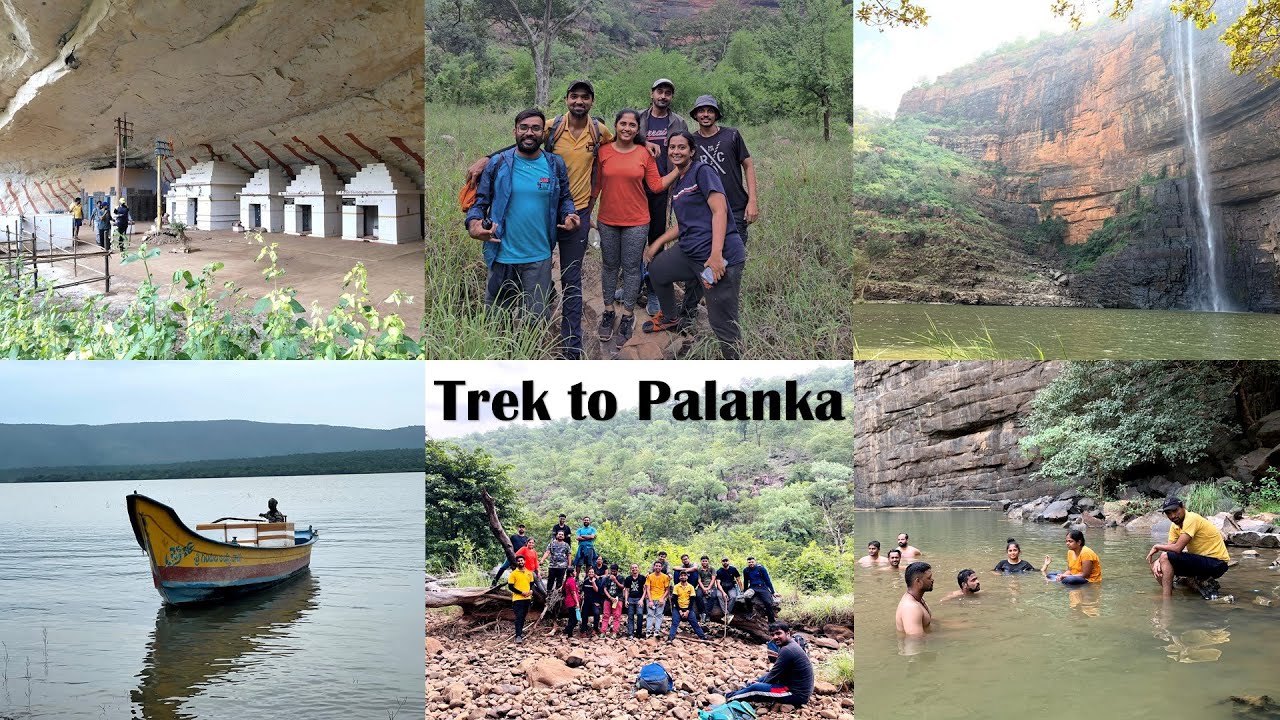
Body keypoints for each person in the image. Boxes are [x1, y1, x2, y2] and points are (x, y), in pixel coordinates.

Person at [466, 108, 579, 323]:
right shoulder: (498, 163)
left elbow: (565, 198)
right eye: (524, 128)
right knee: (497, 322)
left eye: (536, 128)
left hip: (539, 257)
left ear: (543, 134)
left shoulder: (555, 164)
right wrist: (473, 224)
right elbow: (480, 202)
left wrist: (569, 215)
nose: (529, 133)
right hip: (502, 256)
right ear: (515, 132)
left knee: (535, 321)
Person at [641, 131, 747, 359]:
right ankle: (670, 316)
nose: (676, 151)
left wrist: (717, 254)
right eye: (672, 147)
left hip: (717, 256)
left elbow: (720, 211)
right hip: (689, 251)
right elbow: (684, 223)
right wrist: (657, 242)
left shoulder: (702, 171)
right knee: (657, 270)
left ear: (692, 151)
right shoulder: (680, 181)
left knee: (722, 322)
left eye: (681, 147)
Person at [594, 108, 678, 344]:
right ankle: (609, 311)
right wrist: (586, 213)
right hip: (607, 220)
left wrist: (678, 170)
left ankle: (628, 314)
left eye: (632, 125)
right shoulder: (604, 152)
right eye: (623, 124)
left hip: (637, 221)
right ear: (616, 125)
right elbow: (596, 187)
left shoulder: (644, 153)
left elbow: (656, 185)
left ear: (637, 128)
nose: (627, 128)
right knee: (609, 266)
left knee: (631, 268)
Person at [637, 78, 690, 315]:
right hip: (635, 187)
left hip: (663, 189)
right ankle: (633, 284)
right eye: (660, 91)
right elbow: (623, 139)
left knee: (657, 239)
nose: (663, 96)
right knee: (633, 238)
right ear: (652, 94)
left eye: (668, 93)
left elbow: (687, 153)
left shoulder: (678, 122)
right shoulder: (638, 118)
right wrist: (644, 141)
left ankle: (654, 290)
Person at [689, 95, 758, 246]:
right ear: (695, 115)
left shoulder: (732, 135)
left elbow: (748, 165)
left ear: (716, 114)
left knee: (734, 260)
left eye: (710, 111)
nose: (705, 114)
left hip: (735, 209)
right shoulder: (691, 142)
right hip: (705, 211)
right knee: (708, 260)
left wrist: (752, 201)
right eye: (701, 111)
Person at [1146, 496, 1230, 598]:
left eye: (1175, 510)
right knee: (1155, 565)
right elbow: (1169, 548)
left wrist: (1157, 546)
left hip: (1217, 563)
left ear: (1183, 507)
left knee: (1164, 558)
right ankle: (1170, 591)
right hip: (1200, 561)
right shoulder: (1175, 526)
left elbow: (1177, 548)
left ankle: (1166, 599)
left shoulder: (1191, 519)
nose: (1173, 516)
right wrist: (1158, 561)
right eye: (1169, 513)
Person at [723, 622, 813, 708]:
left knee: (755, 688)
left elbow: (774, 674)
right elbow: (774, 673)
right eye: (773, 635)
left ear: (788, 633)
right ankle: (741, 691)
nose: (775, 637)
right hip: (791, 684)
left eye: (778, 633)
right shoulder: (789, 645)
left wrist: (759, 685)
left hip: (796, 694)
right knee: (763, 677)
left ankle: (728, 697)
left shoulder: (787, 650)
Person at [896, 562, 933, 637]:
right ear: (918, 581)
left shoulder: (918, 599)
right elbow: (915, 639)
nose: (932, 580)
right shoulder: (911, 607)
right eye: (929, 578)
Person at [669, 571, 706, 642]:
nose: (683, 577)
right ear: (679, 577)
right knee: (674, 623)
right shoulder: (676, 586)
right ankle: (670, 638)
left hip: (688, 608)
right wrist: (680, 611)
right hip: (677, 608)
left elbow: (692, 600)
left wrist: (687, 611)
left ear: (687, 577)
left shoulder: (691, 587)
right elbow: (675, 599)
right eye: (681, 576)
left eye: (684, 575)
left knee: (694, 623)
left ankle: (702, 637)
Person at [508, 555, 535, 643]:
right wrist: (521, 592)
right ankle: (518, 636)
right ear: (517, 562)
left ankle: (520, 632)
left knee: (523, 617)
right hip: (517, 599)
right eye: (519, 561)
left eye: (522, 561)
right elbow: (510, 587)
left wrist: (531, 591)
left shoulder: (529, 572)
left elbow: (532, 584)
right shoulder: (513, 574)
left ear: (524, 561)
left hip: (527, 598)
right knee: (519, 617)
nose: (521, 562)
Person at [741, 556, 777, 623]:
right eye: (749, 562)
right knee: (746, 596)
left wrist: (773, 591)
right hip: (753, 587)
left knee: (768, 602)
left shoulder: (761, 569)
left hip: (762, 587)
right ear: (747, 563)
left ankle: (771, 620)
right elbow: (745, 581)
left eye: (752, 562)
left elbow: (767, 580)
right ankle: (750, 612)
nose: (751, 563)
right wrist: (745, 590)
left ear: (755, 561)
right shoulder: (746, 570)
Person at [643, 560, 671, 637]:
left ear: (661, 567)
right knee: (650, 614)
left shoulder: (665, 577)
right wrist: (650, 601)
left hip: (661, 599)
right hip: (651, 598)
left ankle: (657, 631)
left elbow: (667, 590)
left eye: (659, 566)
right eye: (656, 566)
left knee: (659, 615)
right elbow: (647, 589)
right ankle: (648, 631)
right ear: (654, 567)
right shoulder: (650, 576)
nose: (658, 567)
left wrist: (662, 598)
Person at [622, 562, 646, 638]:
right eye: (632, 568)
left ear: (638, 569)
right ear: (630, 569)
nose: (634, 569)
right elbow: (627, 590)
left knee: (640, 614)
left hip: (639, 599)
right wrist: (626, 600)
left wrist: (642, 599)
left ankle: (639, 633)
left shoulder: (642, 578)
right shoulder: (628, 579)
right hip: (631, 599)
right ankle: (630, 633)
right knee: (630, 616)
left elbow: (645, 589)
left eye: (636, 567)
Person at [601, 564, 624, 637]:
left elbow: (622, 587)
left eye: (614, 571)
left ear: (617, 571)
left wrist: (615, 580)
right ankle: (603, 632)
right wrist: (610, 597)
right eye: (612, 571)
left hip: (618, 599)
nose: (613, 573)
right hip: (608, 599)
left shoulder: (621, 578)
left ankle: (614, 632)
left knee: (617, 616)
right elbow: (604, 589)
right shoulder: (607, 578)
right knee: (605, 615)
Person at [581, 566, 604, 636]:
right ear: (588, 573)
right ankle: (584, 630)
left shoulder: (597, 581)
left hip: (595, 601)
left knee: (596, 613)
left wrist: (593, 582)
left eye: (592, 572)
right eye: (589, 572)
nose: (591, 573)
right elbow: (583, 590)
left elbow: (597, 590)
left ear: (594, 573)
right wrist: (582, 595)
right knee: (584, 614)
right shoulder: (585, 581)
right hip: (587, 601)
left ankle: (595, 629)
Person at [694, 556, 715, 624]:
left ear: (708, 561)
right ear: (701, 562)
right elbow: (699, 580)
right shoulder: (699, 569)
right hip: (702, 586)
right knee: (698, 596)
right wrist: (703, 589)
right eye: (703, 561)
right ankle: (702, 613)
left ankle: (708, 614)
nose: (704, 562)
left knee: (713, 596)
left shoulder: (712, 569)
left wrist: (708, 588)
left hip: (711, 586)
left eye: (706, 561)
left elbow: (713, 579)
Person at [562, 572, 581, 638]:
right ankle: (566, 630)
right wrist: (577, 603)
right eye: (574, 571)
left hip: (568, 601)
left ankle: (570, 635)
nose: (576, 572)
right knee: (575, 619)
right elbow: (573, 593)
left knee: (571, 618)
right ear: (571, 573)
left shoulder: (567, 580)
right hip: (572, 602)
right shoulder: (571, 580)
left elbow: (563, 589)